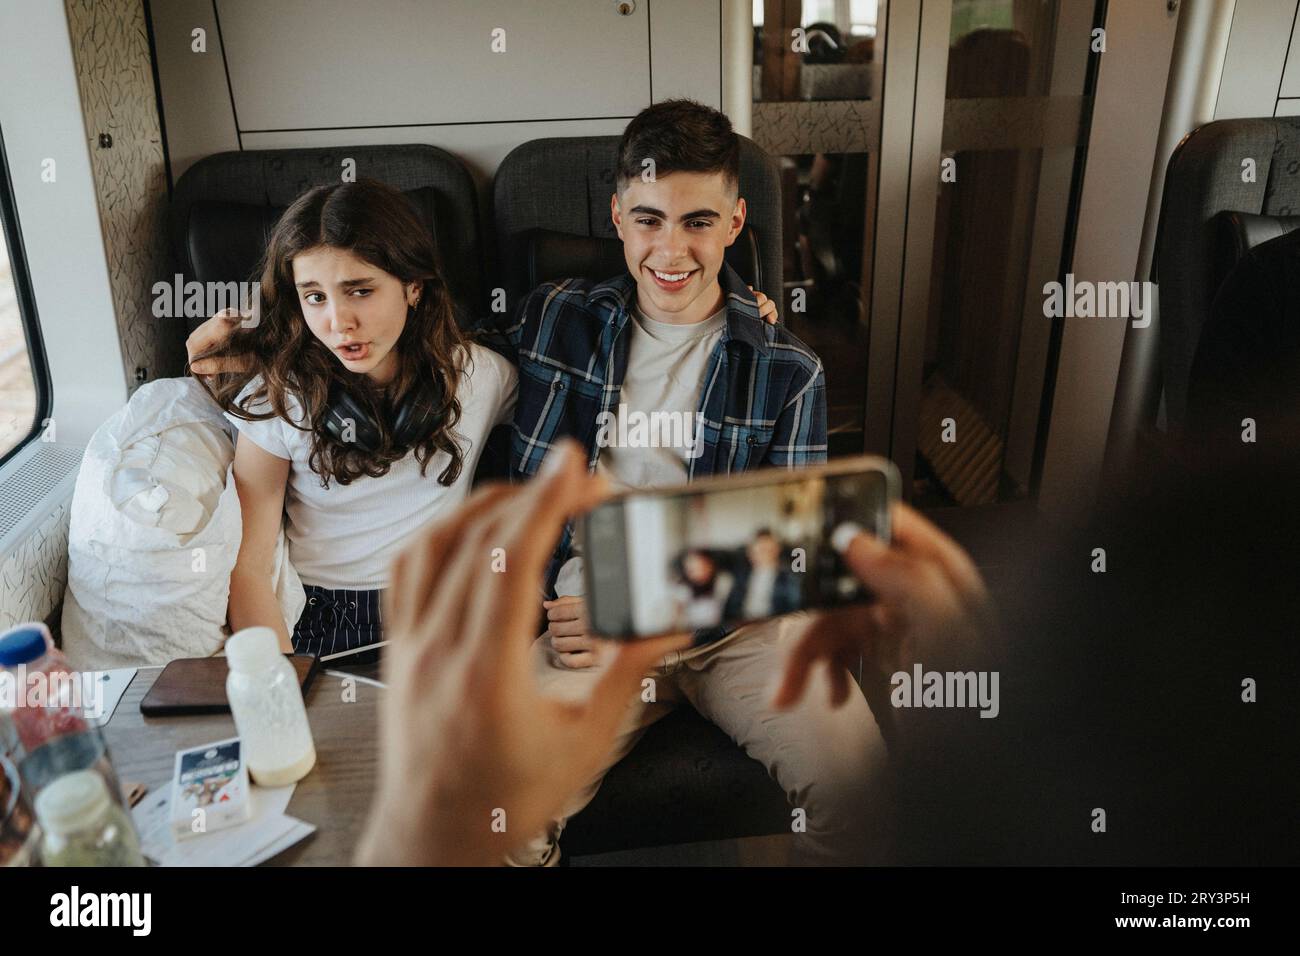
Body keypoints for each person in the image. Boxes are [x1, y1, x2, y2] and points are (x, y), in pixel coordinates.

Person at [500, 99, 884, 866]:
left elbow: (802, 558)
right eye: (649, 220)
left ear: (737, 222)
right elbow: (421, 361)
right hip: (589, 625)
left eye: (698, 222)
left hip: (736, 625)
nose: (670, 250)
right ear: (616, 216)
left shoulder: (786, 370)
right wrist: (257, 352)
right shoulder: (555, 320)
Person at [195, 180, 517, 658]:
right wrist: (282, 682)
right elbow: (249, 570)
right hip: (324, 617)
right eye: (315, 297)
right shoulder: (280, 399)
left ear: (413, 287)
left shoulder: (479, 376)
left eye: (360, 291)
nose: (338, 322)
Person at [722, 528, 803, 621]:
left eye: (767, 550)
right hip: (742, 625)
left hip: (773, 626)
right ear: (750, 553)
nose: (763, 554)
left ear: (777, 550)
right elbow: (730, 609)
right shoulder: (742, 576)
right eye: (759, 550)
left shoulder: (789, 578)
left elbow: (793, 610)